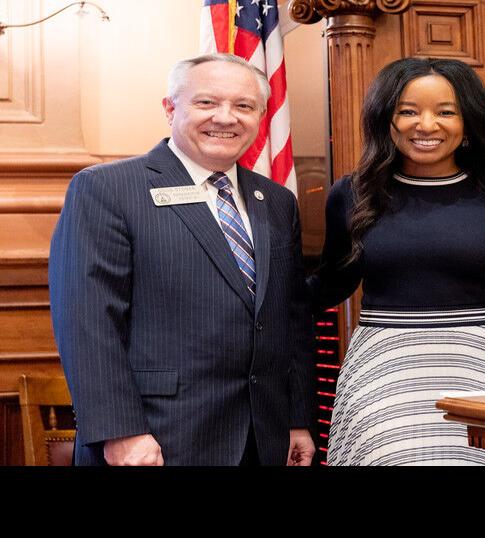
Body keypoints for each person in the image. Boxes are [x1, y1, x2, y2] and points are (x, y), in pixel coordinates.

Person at [49, 53, 315, 465]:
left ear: (262, 117)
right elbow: (87, 321)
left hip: (263, 437)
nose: (226, 118)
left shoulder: (277, 202)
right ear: (170, 108)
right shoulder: (107, 189)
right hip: (155, 440)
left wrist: (296, 417)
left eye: (244, 106)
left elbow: (290, 317)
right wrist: (121, 431)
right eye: (206, 102)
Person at [309, 58, 485, 466]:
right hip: (385, 369)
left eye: (445, 112)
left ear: (468, 123)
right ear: (385, 121)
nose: (426, 125)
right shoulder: (353, 194)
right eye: (408, 111)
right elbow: (330, 284)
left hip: (484, 363)